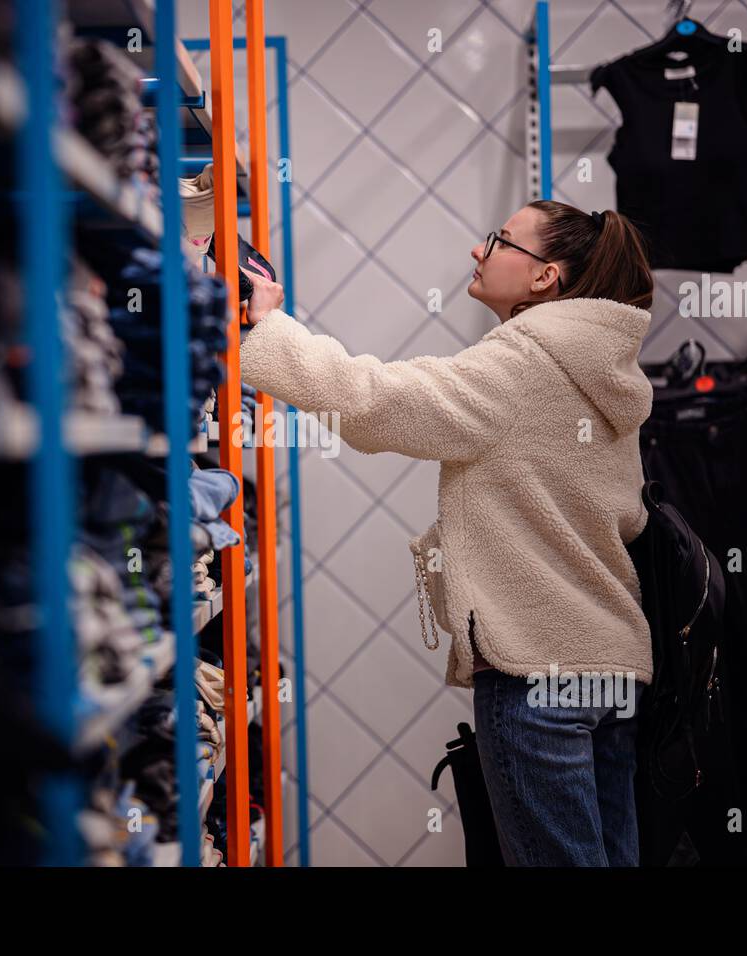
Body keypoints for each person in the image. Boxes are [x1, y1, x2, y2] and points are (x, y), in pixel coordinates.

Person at [238, 200, 657, 866]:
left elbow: (375, 401)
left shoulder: (525, 363)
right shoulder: (606, 378)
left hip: (535, 673)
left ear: (545, 277)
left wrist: (266, 330)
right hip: (610, 671)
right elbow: (629, 517)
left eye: (499, 241)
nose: (478, 251)